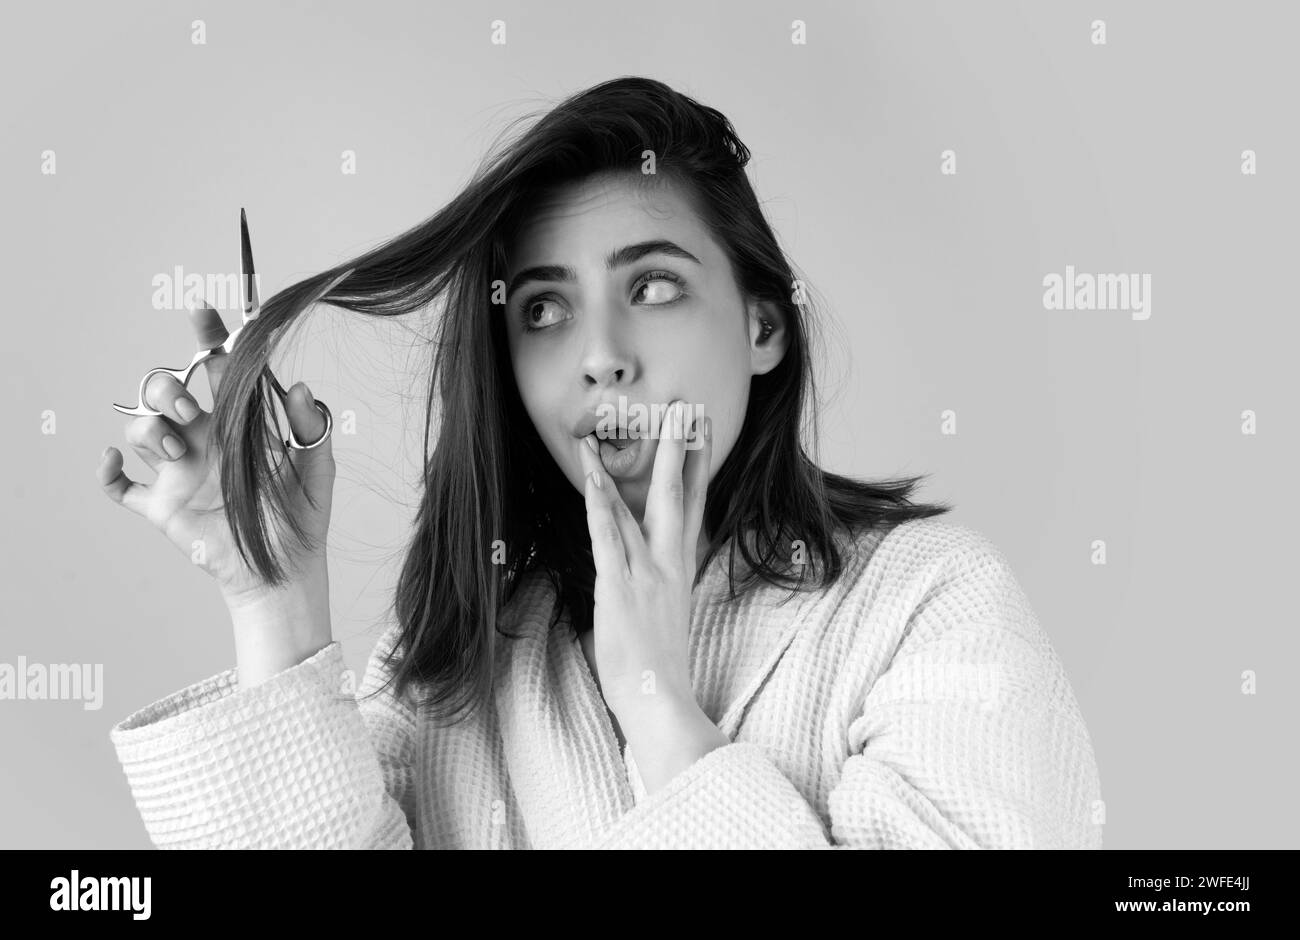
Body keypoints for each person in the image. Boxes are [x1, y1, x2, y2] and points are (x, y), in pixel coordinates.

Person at [97, 76, 1103, 849]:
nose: (598, 353)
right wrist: (271, 597)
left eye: (654, 287)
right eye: (544, 306)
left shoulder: (929, 606)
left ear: (763, 326)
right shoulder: (462, 645)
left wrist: (660, 704)